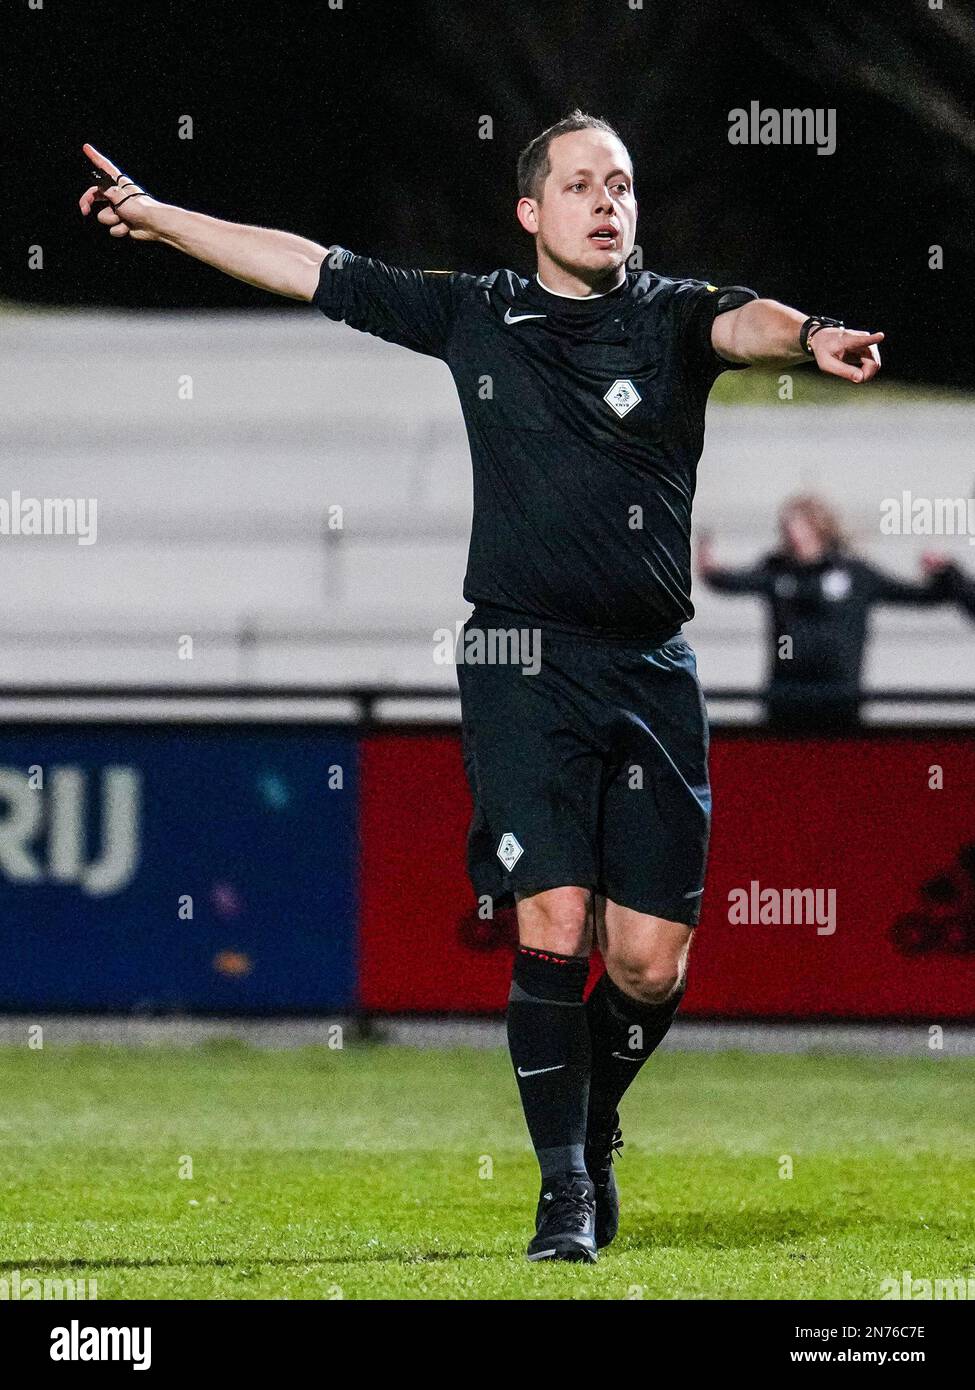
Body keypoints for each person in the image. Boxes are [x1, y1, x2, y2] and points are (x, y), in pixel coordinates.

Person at [79, 110, 885, 1263]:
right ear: (531, 212)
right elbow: (313, 265)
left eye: (623, 183)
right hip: (521, 658)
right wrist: (160, 220)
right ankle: (565, 1191)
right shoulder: (479, 312)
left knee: (652, 962)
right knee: (553, 924)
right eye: (581, 185)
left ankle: (592, 1107)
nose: (608, 202)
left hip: (652, 667)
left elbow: (745, 321)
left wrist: (809, 335)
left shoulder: (669, 316)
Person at [698, 496, 946, 731]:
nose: (793, 533)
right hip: (786, 699)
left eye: (802, 524)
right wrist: (707, 565)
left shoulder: (854, 573)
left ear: (820, 526)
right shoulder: (776, 570)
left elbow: (918, 595)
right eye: (788, 526)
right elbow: (728, 581)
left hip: (839, 701)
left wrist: (944, 574)